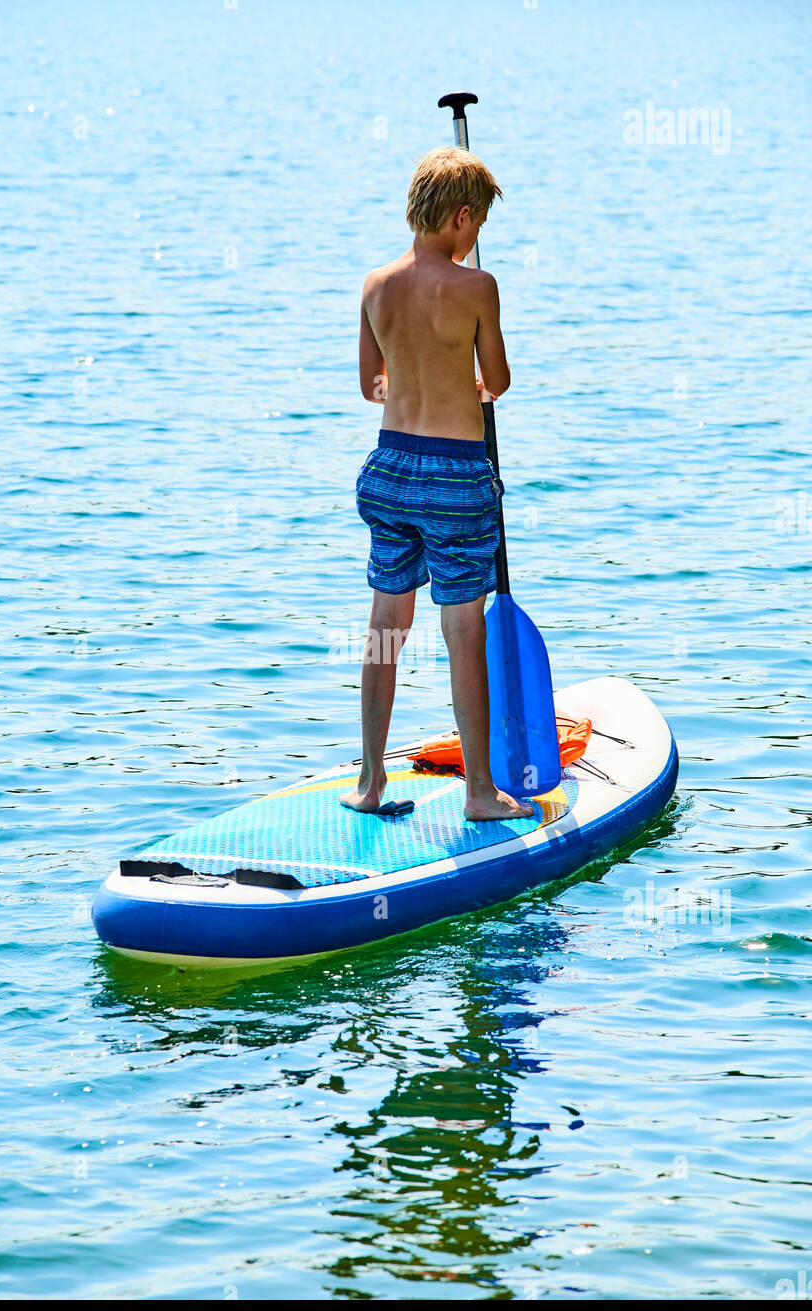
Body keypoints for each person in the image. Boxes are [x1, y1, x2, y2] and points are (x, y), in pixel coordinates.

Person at [343, 145, 534, 821]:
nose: (477, 236)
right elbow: (499, 382)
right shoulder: (476, 287)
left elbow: (372, 386)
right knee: (461, 630)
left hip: (389, 468)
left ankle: (369, 782)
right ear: (461, 217)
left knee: (384, 628)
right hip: (455, 474)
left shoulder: (374, 284)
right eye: (477, 223)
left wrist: (415, 375)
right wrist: (469, 383)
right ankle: (480, 793)